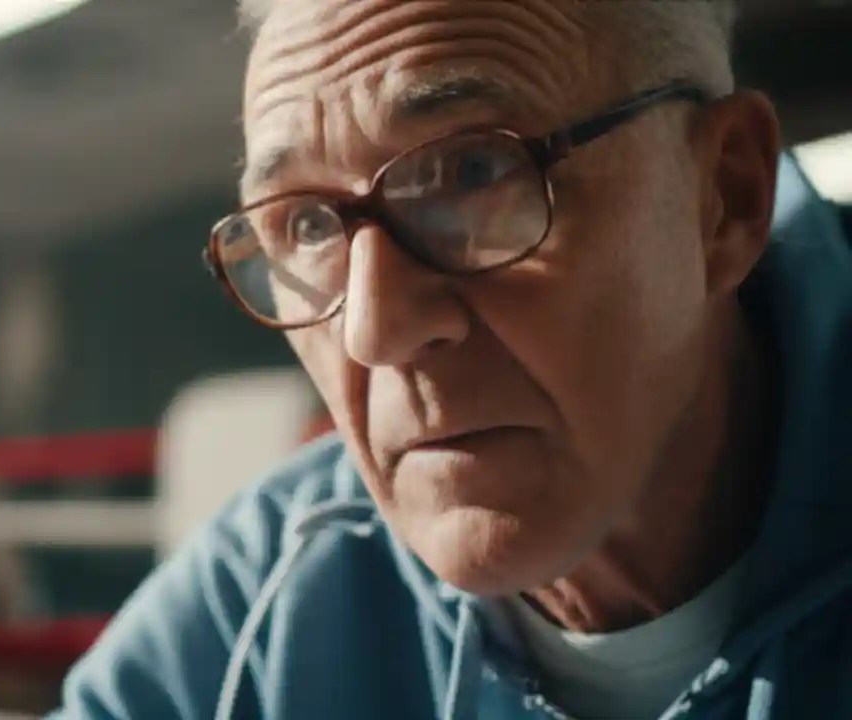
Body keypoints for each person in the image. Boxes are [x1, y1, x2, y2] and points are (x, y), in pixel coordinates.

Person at [52, 1, 852, 718]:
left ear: (724, 196)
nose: (374, 331)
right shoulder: (274, 594)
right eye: (308, 226)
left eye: (474, 172)